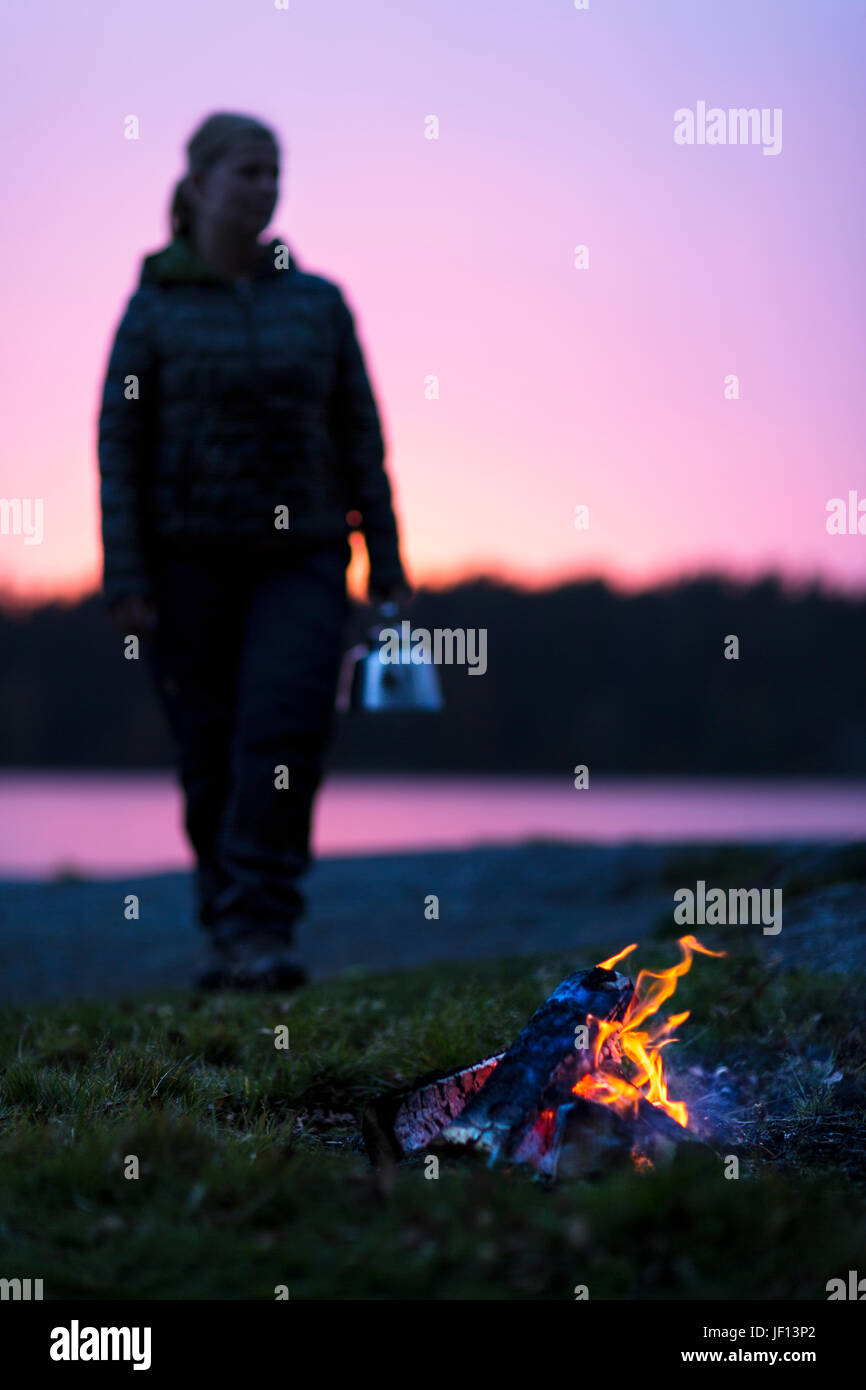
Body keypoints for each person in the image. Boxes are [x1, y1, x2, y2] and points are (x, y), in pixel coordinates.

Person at [97, 111, 410, 990]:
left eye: (275, 171)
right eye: (247, 171)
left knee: (284, 732)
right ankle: (227, 930)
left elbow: (360, 436)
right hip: (185, 563)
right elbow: (119, 444)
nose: (265, 187)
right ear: (197, 184)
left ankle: (264, 927)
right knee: (208, 751)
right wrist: (125, 573)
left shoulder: (319, 303)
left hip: (303, 559)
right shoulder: (152, 311)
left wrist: (384, 561)